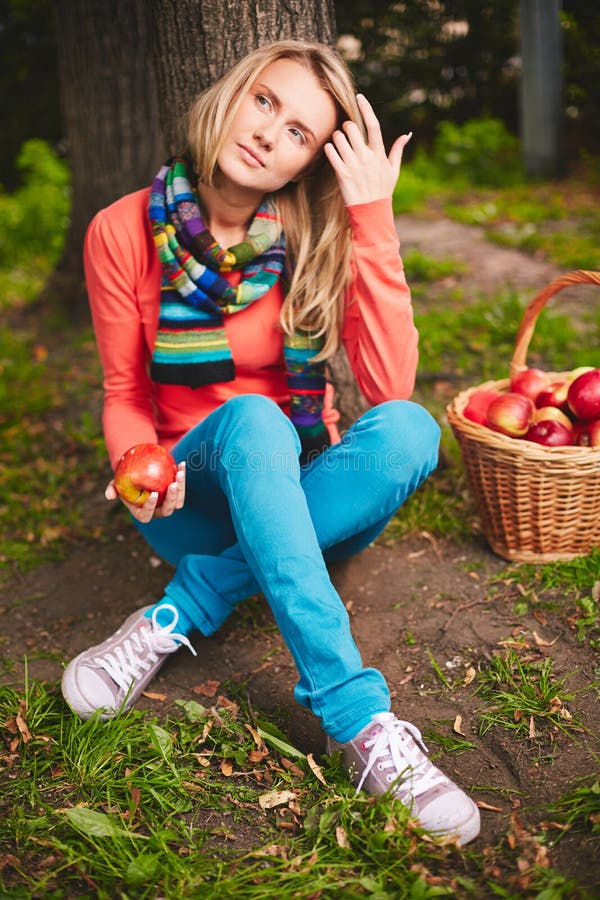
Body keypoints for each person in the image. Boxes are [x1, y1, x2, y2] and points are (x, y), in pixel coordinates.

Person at [61, 39, 480, 846]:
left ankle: (188, 604)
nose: (268, 134)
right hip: (188, 492)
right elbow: (123, 394)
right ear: (231, 92)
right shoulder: (121, 231)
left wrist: (373, 217)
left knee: (412, 429)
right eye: (264, 102)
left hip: (301, 493)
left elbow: (389, 388)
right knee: (252, 418)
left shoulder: (311, 234)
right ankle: (359, 719)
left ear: (304, 165)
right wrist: (134, 465)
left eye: (298, 133)